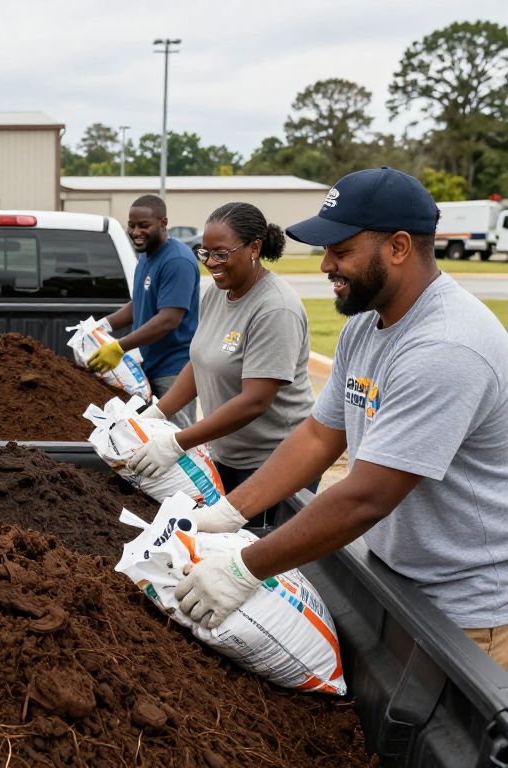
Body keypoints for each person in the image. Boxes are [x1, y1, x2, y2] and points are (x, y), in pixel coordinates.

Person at [171, 168, 508, 670]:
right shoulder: (368, 324)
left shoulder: (444, 346)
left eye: (341, 250)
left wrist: (242, 569)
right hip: (401, 581)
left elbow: (365, 497)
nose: (327, 264)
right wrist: (227, 513)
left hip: (468, 615)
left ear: (398, 247)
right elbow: (316, 436)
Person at [128, 202, 317, 504]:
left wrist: (177, 442)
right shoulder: (216, 293)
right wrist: (159, 411)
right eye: (205, 253)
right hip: (226, 453)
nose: (211, 263)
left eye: (221, 254)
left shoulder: (275, 308)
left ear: (254, 248)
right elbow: (201, 361)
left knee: (250, 546)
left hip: (274, 462)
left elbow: (254, 401)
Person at [88, 194, 200, 426]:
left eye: (144, 225)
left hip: (174, 370)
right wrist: (102, 326)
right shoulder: (147, 257)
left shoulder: (177, 261)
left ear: (163, 223)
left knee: (176, 437)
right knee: (148, 435)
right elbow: (140, 303)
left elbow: (169, 319)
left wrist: (119, 346)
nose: (136, 231)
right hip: (148, 366)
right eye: (131, 225)